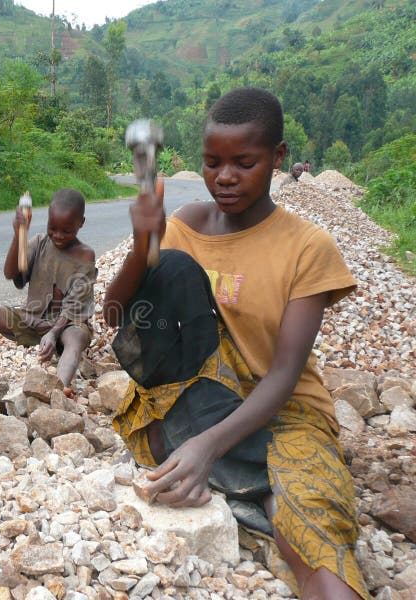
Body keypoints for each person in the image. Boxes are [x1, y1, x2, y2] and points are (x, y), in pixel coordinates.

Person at [104, 88, 367, 599]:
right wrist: (143, 249)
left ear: (278, 158)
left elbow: (285, 377)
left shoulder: (307, 247)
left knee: (316, 533)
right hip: (196, 395)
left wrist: (207, 445)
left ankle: (248, 485)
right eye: (212, 163)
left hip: (280, 411)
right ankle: (252, 485)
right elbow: (115, 319)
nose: (225, 177)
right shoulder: (186, 226)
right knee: (175, 269)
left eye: (244, 163)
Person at [0, 189, 96, 395]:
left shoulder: (85, 255)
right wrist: (19, 234)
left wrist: (54, 333)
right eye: (52, 228)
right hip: (32, 319)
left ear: (81, 223)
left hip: (68, 323)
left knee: (74, 340)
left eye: (67, 230)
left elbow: (74, 306)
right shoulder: (39, 242)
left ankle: (58, 392)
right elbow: (11, 273)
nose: (58, 235)